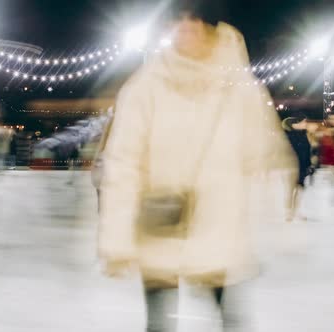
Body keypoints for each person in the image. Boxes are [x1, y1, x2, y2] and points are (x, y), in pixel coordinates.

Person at [97, 2, 296, 331]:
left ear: (213, 27)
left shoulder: (241, 90)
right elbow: (123, 163)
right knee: (160, 323)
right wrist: (116, 237)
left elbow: (267, 157)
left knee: (230, 319)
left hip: (219, 226)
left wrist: (279, 223)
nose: (187, 27)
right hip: (159, 223)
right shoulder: (145, 87)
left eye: (197, 19)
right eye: (179, 19)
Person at [282, 116, 311, 221]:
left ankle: (296, 211)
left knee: (299, 190)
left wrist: (309, 165)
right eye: (301, 122)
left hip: (302, 167)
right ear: (293, 125)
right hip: (291, 167)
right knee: (290, 190)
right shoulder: (287, 136)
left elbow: (307, 152)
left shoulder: (303, 135)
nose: (304, 124)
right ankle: (289, 212)